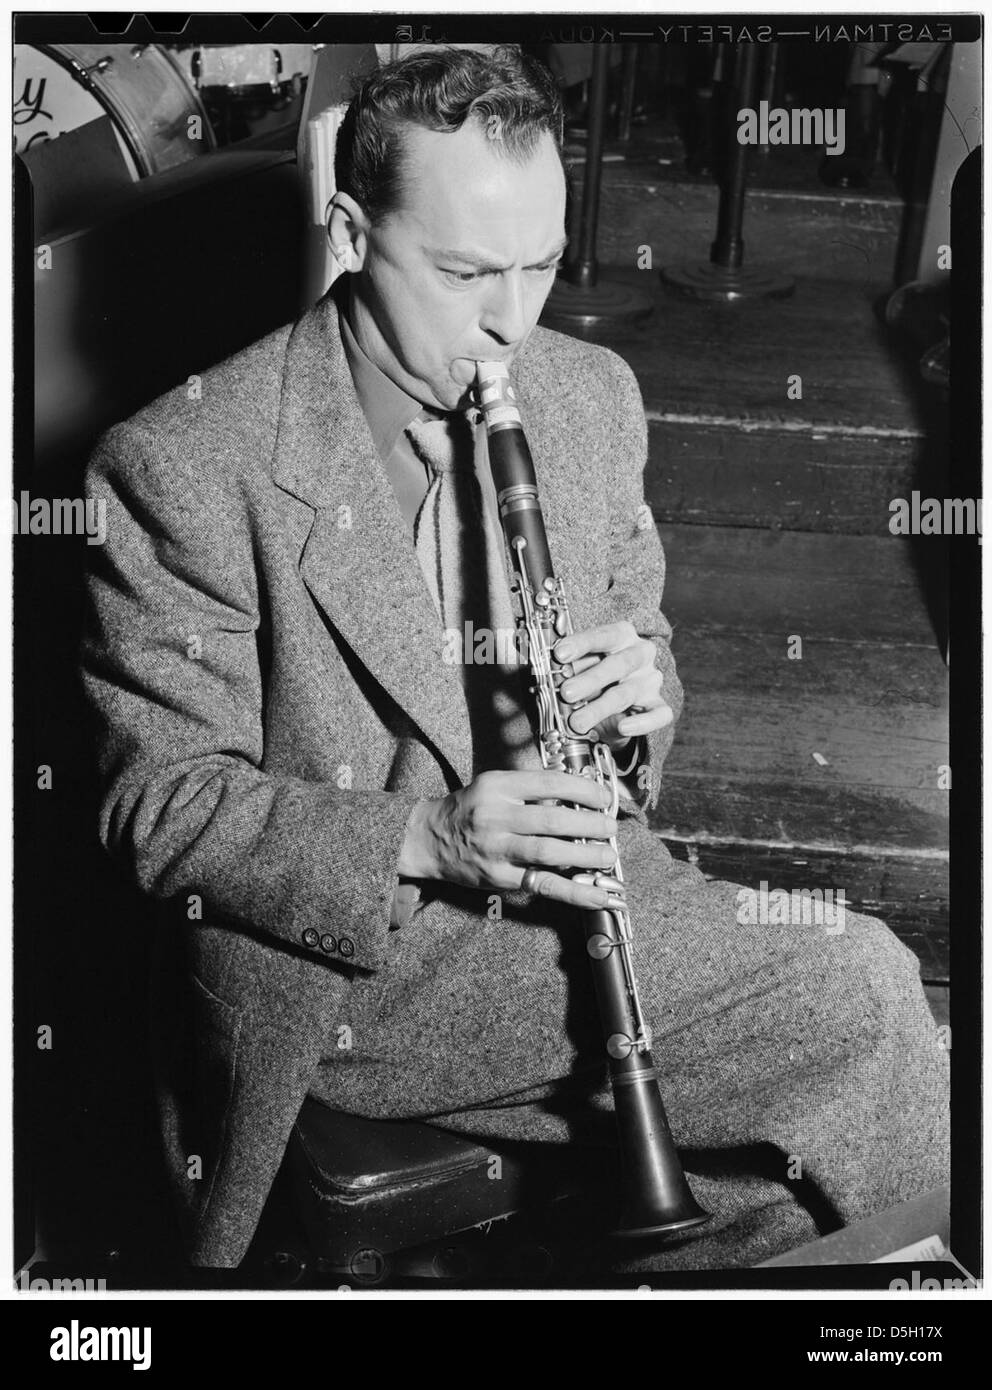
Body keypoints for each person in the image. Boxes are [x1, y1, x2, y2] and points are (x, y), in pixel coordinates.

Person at [82, 44, 948, 1273]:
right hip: (355, 964)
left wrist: (638, 699)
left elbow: (637, 630)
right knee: (855, 989)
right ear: (347, 232)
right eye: (463, 271)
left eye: (539, 264)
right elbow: (156, 808)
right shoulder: (183, 462)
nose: (510, 319)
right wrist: (430, 835)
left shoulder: (588, 391)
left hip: (585, 886)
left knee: (808, 1178)